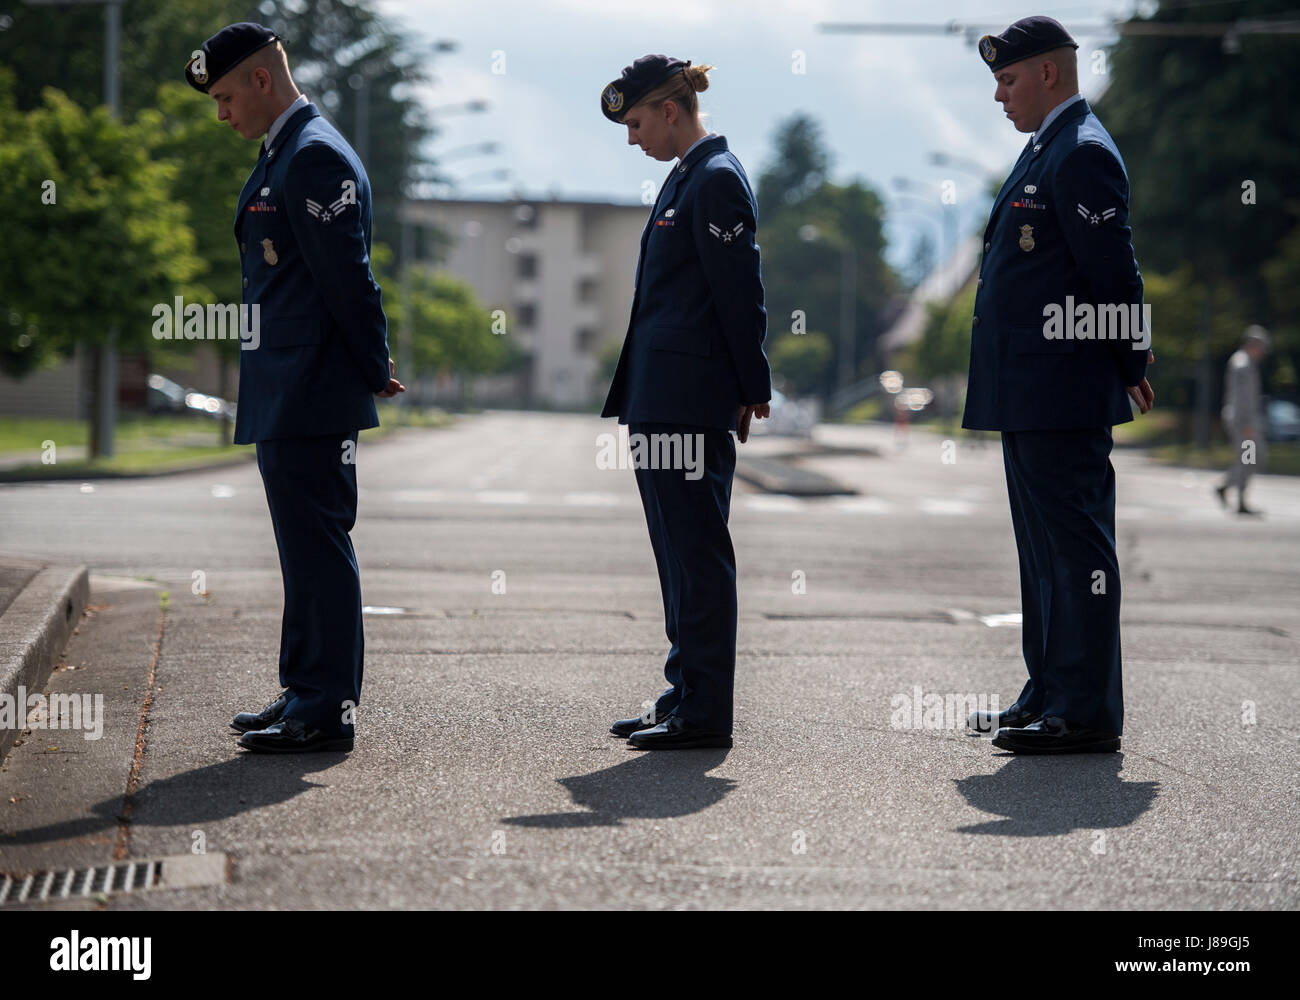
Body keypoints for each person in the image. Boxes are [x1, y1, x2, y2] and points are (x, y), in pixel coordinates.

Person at [184, 23, 404, 752]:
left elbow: (350, 279)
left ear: (260, 80)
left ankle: (325, 708)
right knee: (302, 549)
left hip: (312, 386)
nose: (221, 115)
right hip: (286, 383)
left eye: (223, 97)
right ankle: (302, 690)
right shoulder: (285, 152)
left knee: (319, 547)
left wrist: (373, 369)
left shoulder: (312, 157)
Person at [959, 17, 1154, 754]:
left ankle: (1083, 710)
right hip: (1031, 389)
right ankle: (1047, 691)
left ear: (1049, 73)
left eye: (1008, 80)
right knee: (1043, 550)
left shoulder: (1082, 154)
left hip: (1061, 390)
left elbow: (1113, 272)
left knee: (1076, 550)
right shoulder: (1049, 149)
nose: (1000, 96)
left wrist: (1132, 361)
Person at [599, 55, 772, 750]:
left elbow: (740, 292)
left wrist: (749, 388)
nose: (632, 137)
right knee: (676, 554)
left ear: (670, 110)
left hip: (691, 400)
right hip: (662, 397)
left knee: (697, 555)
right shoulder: (687, 178)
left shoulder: (717, 180)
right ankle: (683, 692)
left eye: (637, 121)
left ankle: (703, 712)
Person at [1216, 325, 1271, 516]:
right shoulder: (1242, 364)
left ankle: (1229, 490)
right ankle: (1237, 499)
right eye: (1261, 347)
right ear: (1252, 344)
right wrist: (1247, 423)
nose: (1262, 352)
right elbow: (1241, 398)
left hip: (1243, 420)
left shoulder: (1245, 363)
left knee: (1249, 459)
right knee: (1249, 459)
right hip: (1242, 421)